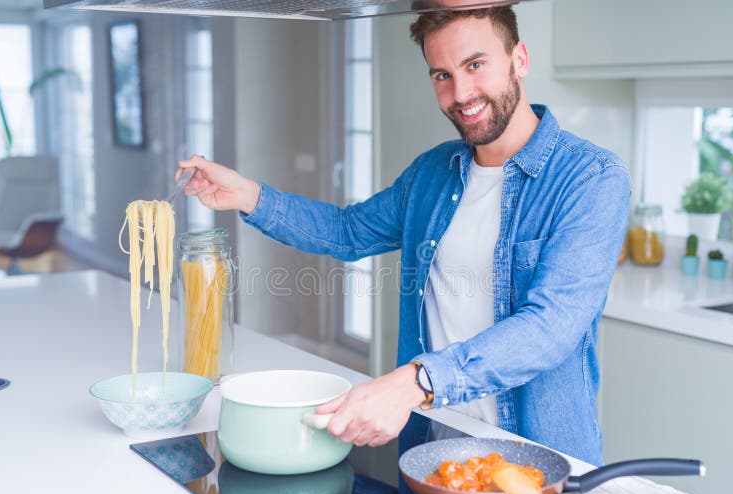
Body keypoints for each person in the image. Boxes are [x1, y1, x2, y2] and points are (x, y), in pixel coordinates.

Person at [176, 6, 630, 467]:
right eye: (442, 75)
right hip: (435, 455)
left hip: (541, 468)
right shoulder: (433, 171)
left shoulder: (591, 178)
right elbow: (348, 231)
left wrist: (417, 382)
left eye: (476, 65)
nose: (461, 93)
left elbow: (551, 328)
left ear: (520, 59)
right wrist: (249, 195)